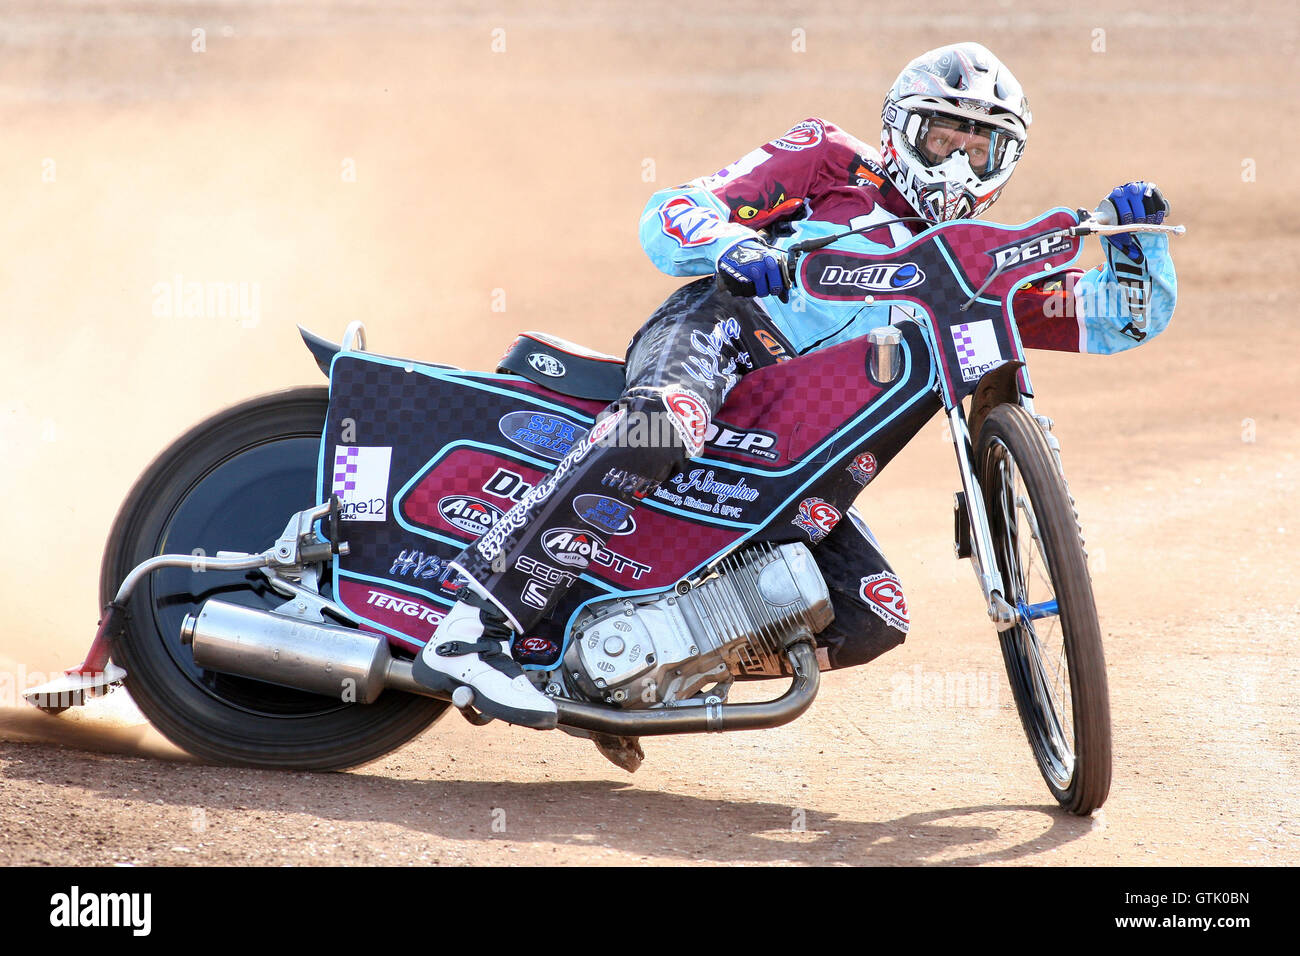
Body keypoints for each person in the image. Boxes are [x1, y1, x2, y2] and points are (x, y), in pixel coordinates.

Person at [410, 41, 1178, 729]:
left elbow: (1116, 320)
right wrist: (733, 244)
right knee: (664, 422)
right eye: (942, 136)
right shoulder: (828, 159)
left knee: (869, 615)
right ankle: (472, 625)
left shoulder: (979, 270)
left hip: (799, 446)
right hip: (722, 332)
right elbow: (674, 210)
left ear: (1005, 163)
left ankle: (626, 676)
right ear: (899, 130)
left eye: (979, 150)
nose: (955, 164)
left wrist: (1139, 245)